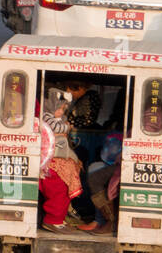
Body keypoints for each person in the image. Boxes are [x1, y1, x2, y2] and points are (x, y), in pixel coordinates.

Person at [38, 89, 84, 231]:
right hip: (50, 162)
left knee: (64, 190)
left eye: (64, 109)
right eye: (60, 108)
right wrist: (67, 127)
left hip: (59, 159)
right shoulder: (46, 117)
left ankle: (58, 219)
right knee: (58, 190)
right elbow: (57, 127)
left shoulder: (56, 118)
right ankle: (52, 219)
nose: (62, 112)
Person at [77, 134, 123, 235]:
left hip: (125, 165)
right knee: (94, 168)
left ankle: (110, 221)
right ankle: (100, 220)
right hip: (117, 163)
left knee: (95, 178)